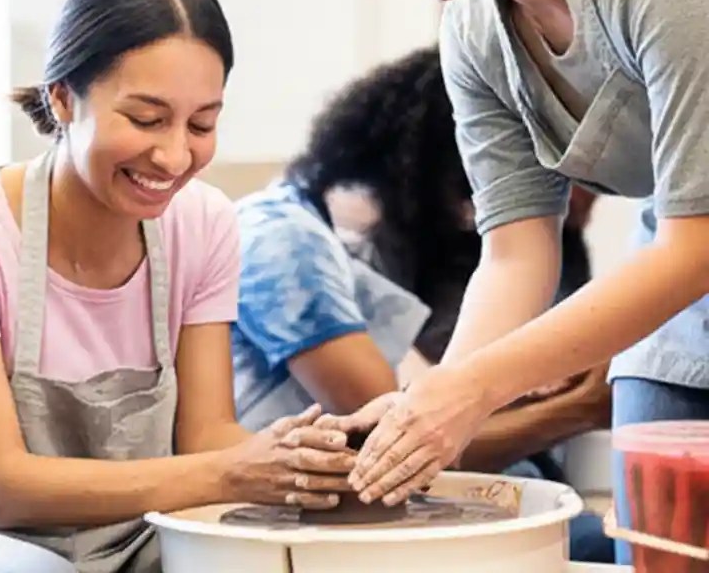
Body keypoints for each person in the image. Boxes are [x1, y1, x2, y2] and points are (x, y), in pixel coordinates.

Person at [0, 0, 358, 573]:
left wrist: (313, 460)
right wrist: (231, 471)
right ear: (62, 99)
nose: (174, 155)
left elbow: (208, 435)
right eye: (146, 119)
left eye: (202, 123)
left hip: (136, 529)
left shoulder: (204, 223)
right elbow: (1, 488)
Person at [305, 0, 709, 561]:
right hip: (683, 294)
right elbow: (518, 251)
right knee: (658, 549)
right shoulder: (473, 28)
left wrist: (471, 390)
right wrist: (430, 412)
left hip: (689, 253)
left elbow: (696, 246)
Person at [231, 45, 613, 562]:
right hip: (351, 516)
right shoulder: (284, 242)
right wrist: (576, 407)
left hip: (448, 486)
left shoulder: (396, 259)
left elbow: (434, 405)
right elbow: (417, 435)